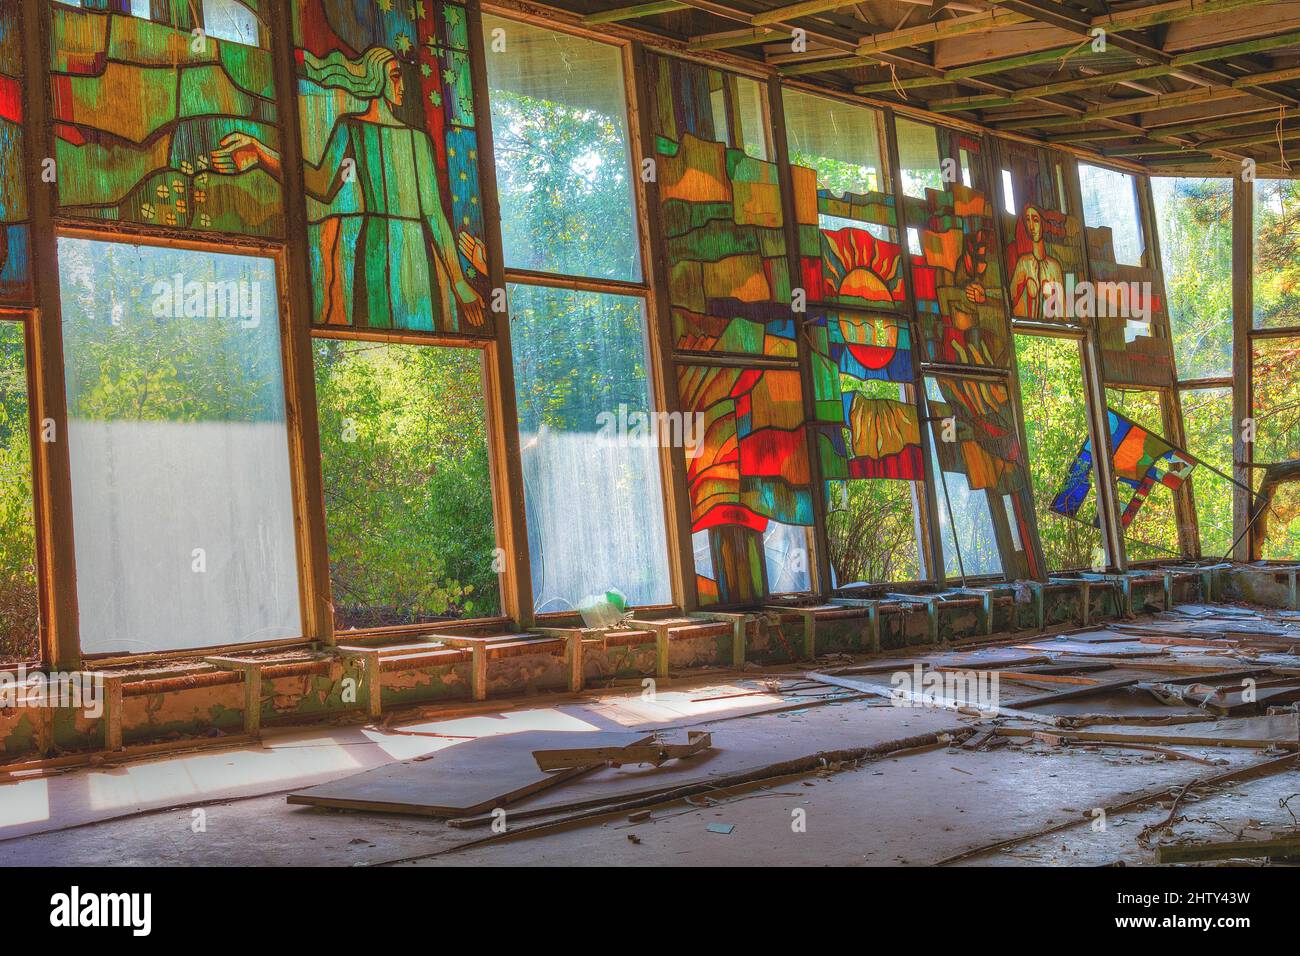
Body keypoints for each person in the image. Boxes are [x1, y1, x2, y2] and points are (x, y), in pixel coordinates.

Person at [210, 46, 485, 330]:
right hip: (374, 248)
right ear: (375, 79)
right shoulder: (350, 129)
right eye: (394, 77)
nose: (401, 86)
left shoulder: (418, 140)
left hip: (416, 252)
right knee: (377, 327)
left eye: (400, 77)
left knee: (422, 323)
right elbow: (320, 185)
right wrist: (262, 155)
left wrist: (459, 281)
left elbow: (434, 214)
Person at [1008, 204, 1063, 321]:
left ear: (1043, 223)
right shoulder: (1024, 263)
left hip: (1052, 335)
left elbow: (1062, 312)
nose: (1031, 226)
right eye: (1027, 220)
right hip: (1026, 334)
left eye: (1035, 220)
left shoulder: (1055, 267)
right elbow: (1009, 299)